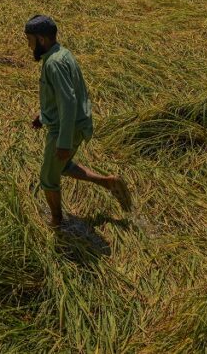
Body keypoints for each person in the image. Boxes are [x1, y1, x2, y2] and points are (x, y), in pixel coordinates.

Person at [25, 14, 132, 229]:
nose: (29, 45)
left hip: (67, 129)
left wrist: (63, 142)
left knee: (48, 178)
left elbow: (68, 102)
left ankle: (56, 222)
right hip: (75, 124)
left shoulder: (54, 64)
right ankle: (108, 182)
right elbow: (62, 96)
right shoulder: (62, 54)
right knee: (63, 166)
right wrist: (43, 116)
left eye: (30, 40)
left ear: (41, 39)